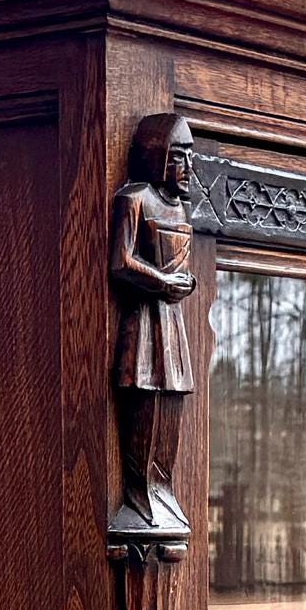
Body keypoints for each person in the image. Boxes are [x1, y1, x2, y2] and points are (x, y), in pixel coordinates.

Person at [111, 111, 197, 536]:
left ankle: (164, 492)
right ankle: (141, 495)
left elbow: (183, 260)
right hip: (145, 322)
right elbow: (121, 262)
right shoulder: (135, 198)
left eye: (190, 157)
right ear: (157, 156)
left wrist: (186, 281)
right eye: (179, 156)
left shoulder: (180, 207)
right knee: (145, 397)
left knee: (173, 402)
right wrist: (163, 282)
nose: (188, 168)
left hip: (173, 320)